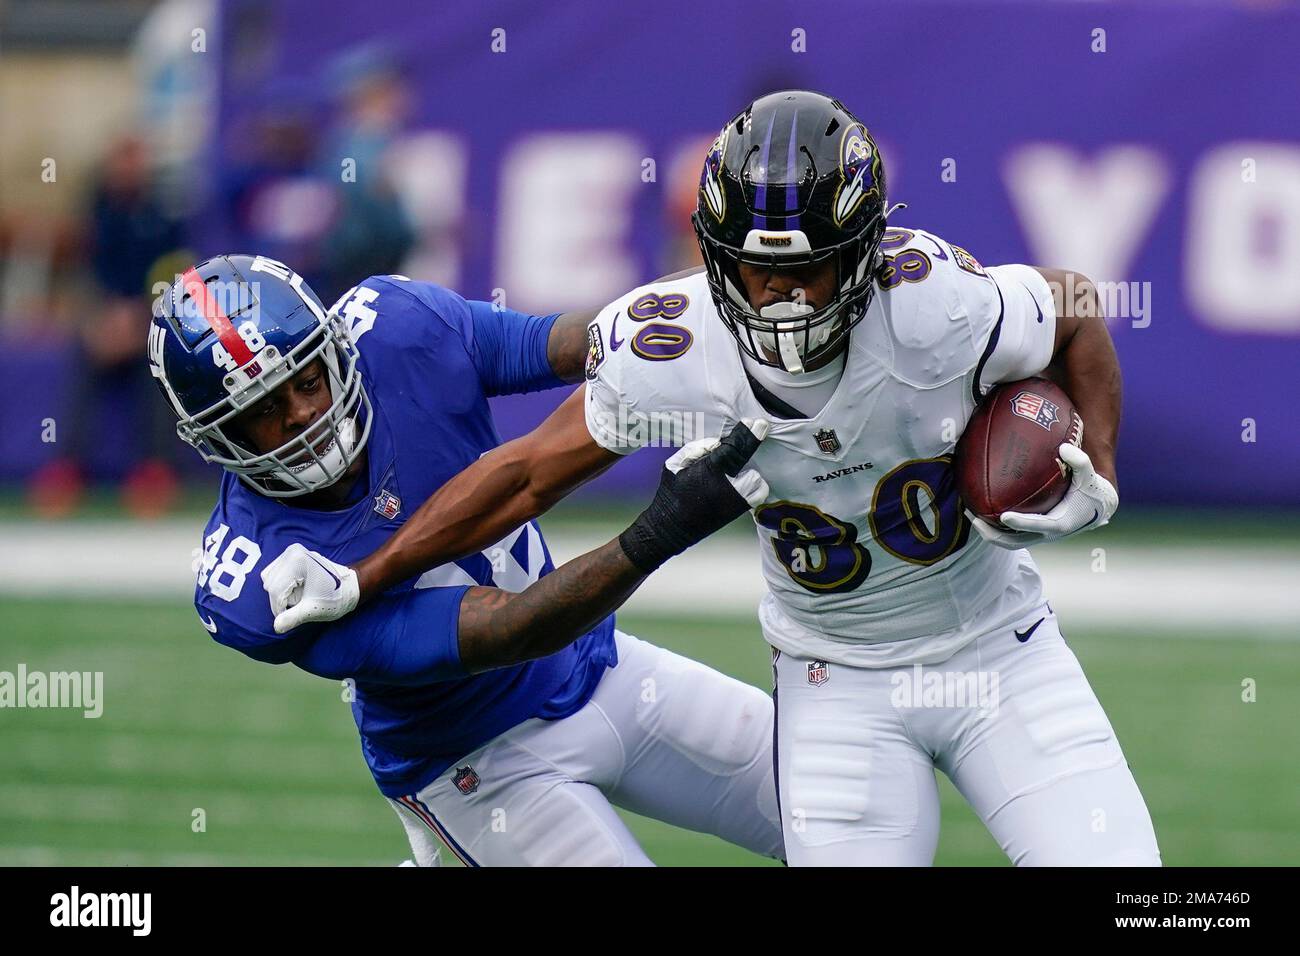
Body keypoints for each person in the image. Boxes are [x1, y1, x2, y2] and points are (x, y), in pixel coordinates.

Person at [272, 91, 1161, 866]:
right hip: (835, 679)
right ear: (712, 249)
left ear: (864, 251)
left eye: (805, 268)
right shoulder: (676, 348)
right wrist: (367, 574)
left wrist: (1100, 465)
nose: (778, 295)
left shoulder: (934, 304)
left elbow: (1079, 307)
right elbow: (526, 476)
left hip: (1001, 647)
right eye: (754, 266)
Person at [147, 253, 783, 866]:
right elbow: (511, 628)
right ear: (220, 438)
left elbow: (583, 341)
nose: (304, 414)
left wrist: (730, 282)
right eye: (264, 413)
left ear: (333, 347)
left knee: (835, 813)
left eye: (307, 381)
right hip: (477, 765)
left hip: (598, 661)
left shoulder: (397, 329)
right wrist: (663, 528)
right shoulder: (257, 577)